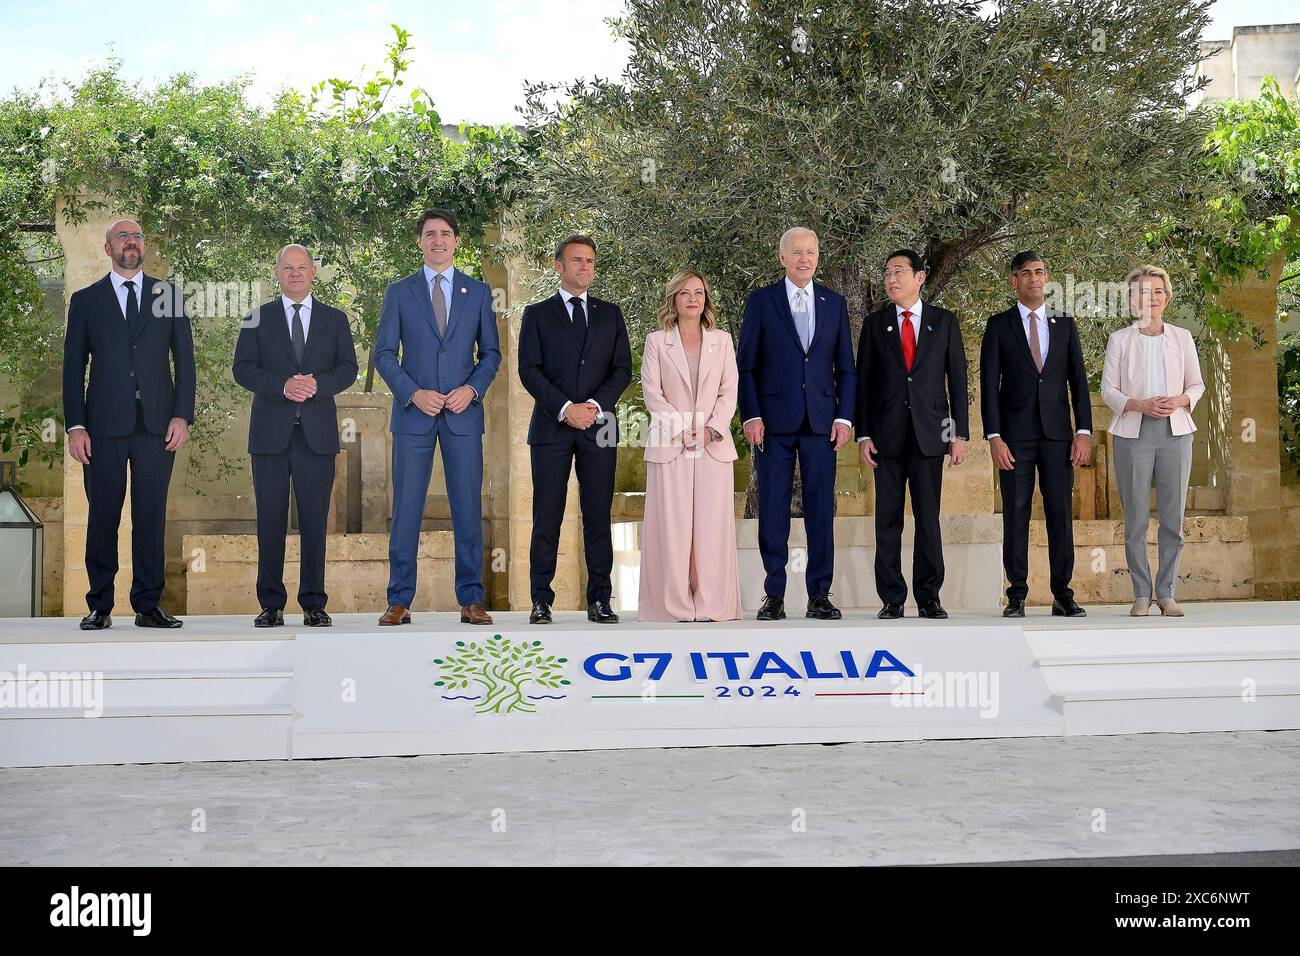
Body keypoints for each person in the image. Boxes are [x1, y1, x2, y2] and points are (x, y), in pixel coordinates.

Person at [62, 218, 195, 630]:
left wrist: (182, 414)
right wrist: (75, 426)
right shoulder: (86, 301)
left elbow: (185, 363)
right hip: (102, 426)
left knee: (151, 515)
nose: (132, 243)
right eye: (123, 237)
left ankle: (147, 605)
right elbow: (72, 369)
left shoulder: (169, 296)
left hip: (157, 425)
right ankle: (100, 604)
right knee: (103, 513)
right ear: (109, 249)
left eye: (137, 237)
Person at [374, 208, 501, 626]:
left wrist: (471, 390)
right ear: (419, 242)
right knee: (406, 508)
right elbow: (385, 355)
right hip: (414, 417)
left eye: (446, 233)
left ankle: (471, 600)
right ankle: (399, 600)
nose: (438, 240)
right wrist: (413, 393)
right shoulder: (399, 292)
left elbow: (492, 354)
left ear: (456, 241)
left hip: (463, 416)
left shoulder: (478, 292)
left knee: (467, 509)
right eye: (430, 234)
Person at [232, 244, 358, 628]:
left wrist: (316, 385)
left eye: (302, 267)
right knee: (269, 520)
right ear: (276, 273)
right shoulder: (257, 318)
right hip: (270, 436)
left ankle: (313, 603)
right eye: (288, 268)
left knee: (315, 521)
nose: (296, 274)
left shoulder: (335, 320)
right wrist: (283, 385)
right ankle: (271, 604)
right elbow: (243, 369)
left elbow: (348, 369)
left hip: (317, 437)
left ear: (313, 272)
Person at [737, 227, 856, 621]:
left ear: (817, 257)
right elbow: (747, 366)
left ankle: (820, 594)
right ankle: (774, 594)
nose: (804, 258)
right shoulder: (761, 302)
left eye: (811, 252)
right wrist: (751, 414)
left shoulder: (834, 303)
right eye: (796, 252)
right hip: (772, 424)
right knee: (773, 508)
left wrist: (844, 416)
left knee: (822, 508)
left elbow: (847, 369)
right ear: (782, 257)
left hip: (823, 423)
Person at [518, 235, 632, 624]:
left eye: (590, 262)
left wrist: (593, 407)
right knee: (546, 515)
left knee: (598, 514)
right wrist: (566, 408)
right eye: (577, 260)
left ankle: (600, 598)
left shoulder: (611, 315)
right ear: (559, 266)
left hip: (600, 426)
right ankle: (541, 599)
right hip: (551, 427)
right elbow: (528, 370)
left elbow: (623, 370)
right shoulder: (536, 314)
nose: (585, 267)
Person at [855, 249, 969, 620]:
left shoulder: (944, 322)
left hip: (930, 436)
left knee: (927, 517)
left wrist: (957, 435)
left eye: (899, 271)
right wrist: (864, 434)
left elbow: (956, 381)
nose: (891, 278)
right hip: (885, 438)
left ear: (919, 277)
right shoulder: (875, 325)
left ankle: (929, 596)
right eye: (887, 272)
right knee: (887, 519)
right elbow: (864, 386)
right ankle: (891, 597)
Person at [980, 251, 1092, 618]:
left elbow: (1078, 381)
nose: (1033, 278)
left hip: (1059, 437)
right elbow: (989, 385)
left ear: (1047, 278)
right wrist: (994, 437)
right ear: (1014, 280)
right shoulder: (998, 326)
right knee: (1016, 513)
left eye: (1039, 272)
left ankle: (1063, 593)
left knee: (1060, 512)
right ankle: (1016, 594)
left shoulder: (1065, 323)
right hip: (1014, 439)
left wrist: (1083, 431)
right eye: (1025, 273)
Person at [1101, 265, 1205, 617]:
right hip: (1133, 433)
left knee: (1173, 517)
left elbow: (1197, 385)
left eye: (1158, 291)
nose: (1152, 298)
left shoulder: (1182, 337)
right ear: (1132, 299)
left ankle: (1167, 591)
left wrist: (1178, 401)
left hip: (1177, 434)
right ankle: (1142, 594)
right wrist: (1139, 404)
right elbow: (1108, 390)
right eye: (1144, 292)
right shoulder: (1120, 340)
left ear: (1166, 296)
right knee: (1136, 519)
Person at [639, 271, 742, 622]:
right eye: (685, 293)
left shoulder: (723, 341)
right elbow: (652, 392)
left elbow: (730, 391)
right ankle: (672, 607)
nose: (693, 298)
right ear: (674, 299)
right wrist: (684, 428)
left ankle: (713, 605)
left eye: (699, 292)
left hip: (713, 446)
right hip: (671, 444)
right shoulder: (656, 342)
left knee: (712, 529)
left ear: (706, 299)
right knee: (672, 529)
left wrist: (711, 430)